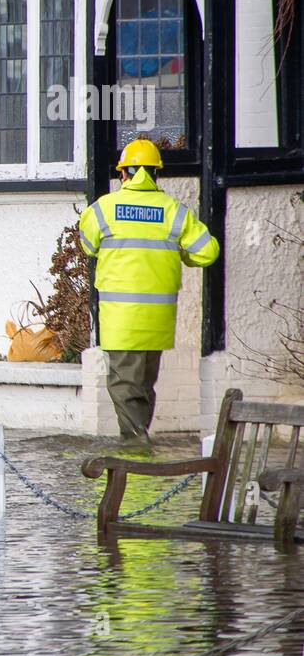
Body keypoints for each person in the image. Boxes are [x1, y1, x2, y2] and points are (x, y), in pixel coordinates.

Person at [78, 139, 220, 442]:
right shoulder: (173, 211)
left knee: (123, 387)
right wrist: (180, 253)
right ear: (156, 174)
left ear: (123, 174)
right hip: (157, 322)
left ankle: (136, 455)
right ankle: (139, 448)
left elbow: (88, 245)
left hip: (121, 321)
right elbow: (207, 252)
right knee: (142, 386)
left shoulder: (104, 208)